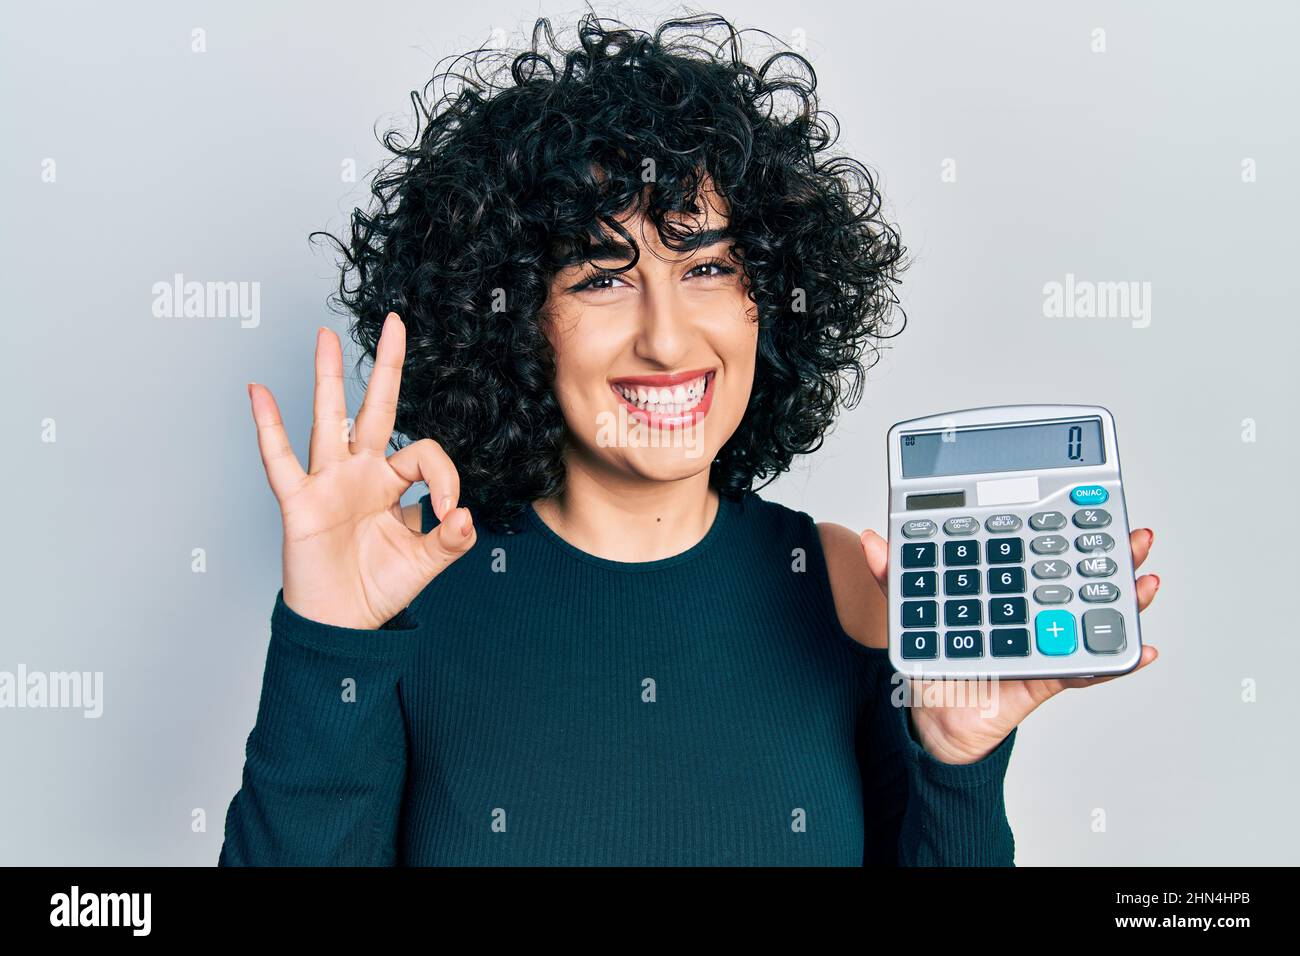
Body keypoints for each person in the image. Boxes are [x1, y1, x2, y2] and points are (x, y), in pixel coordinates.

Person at [219, 12, 1160, 866]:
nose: (668, 339)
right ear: (513, 320)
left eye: (706, 266)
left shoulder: (850, 589)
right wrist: (329, 645)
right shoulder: (406, 594)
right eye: (600, 278)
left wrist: (957, 767)